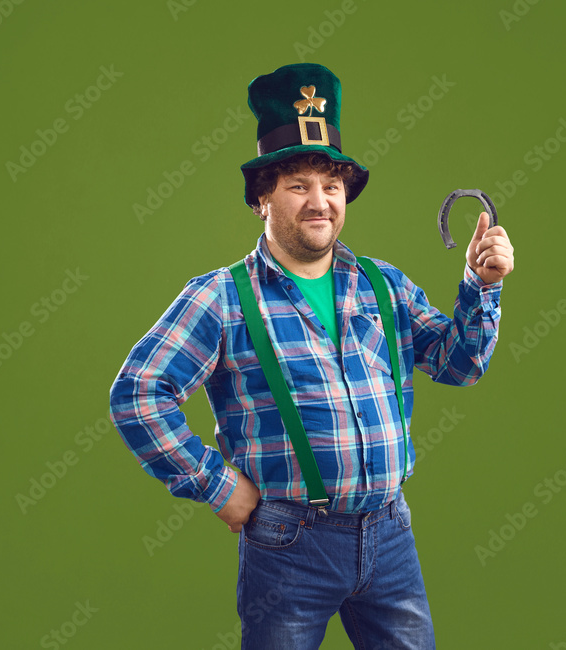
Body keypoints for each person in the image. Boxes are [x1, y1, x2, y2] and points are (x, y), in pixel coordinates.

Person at [108, 62, 514, 649]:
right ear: (261, 199)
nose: (319, 202)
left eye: (332, 186)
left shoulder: (383, 284)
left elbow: (460, 364)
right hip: (288, 543)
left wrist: (482, 286)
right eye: (298, 185)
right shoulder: (221, 298)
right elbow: (139, 394)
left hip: (391, 533)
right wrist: (217, 485)